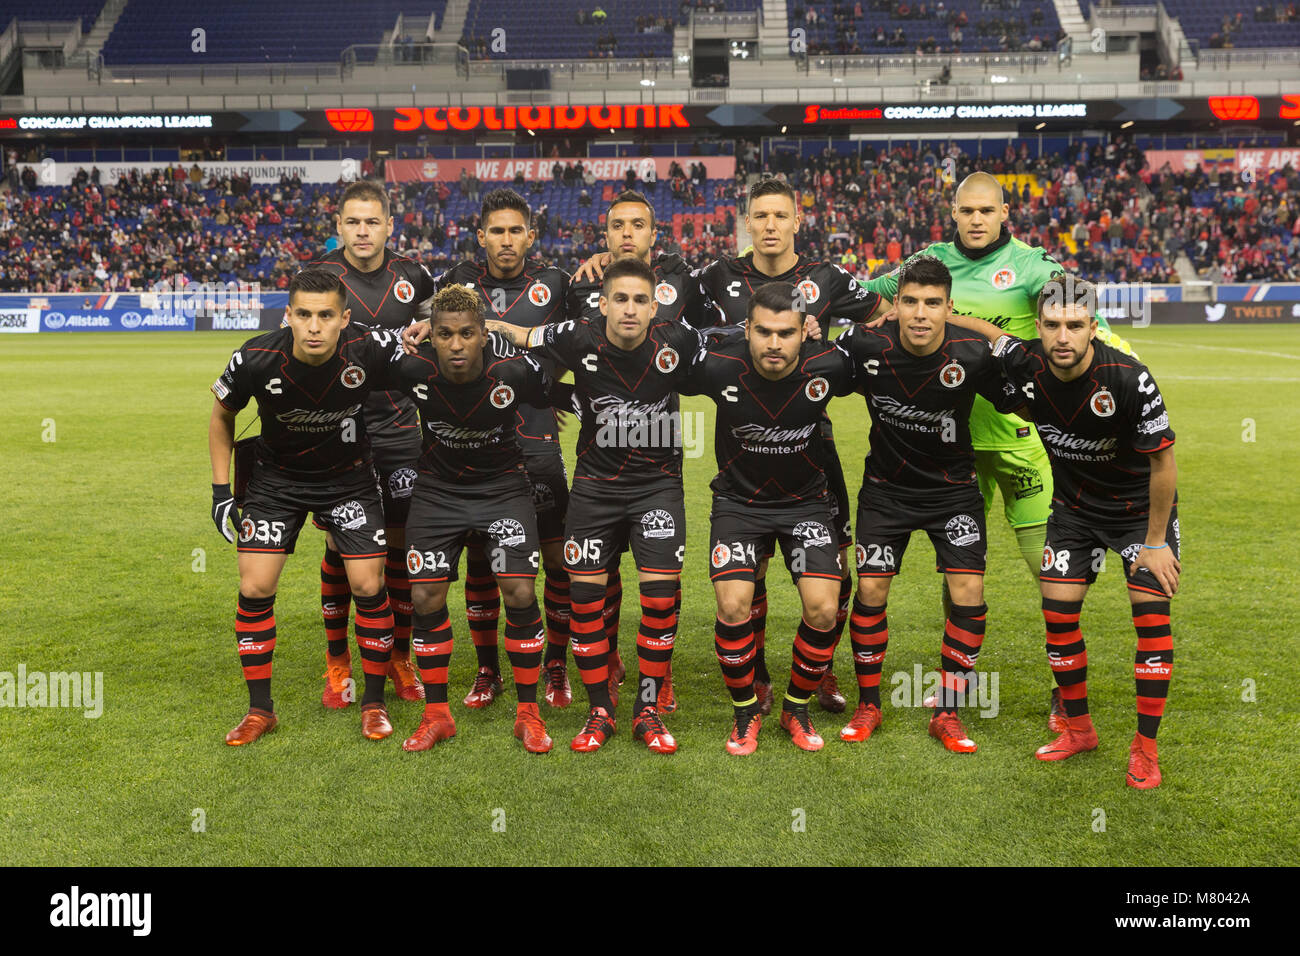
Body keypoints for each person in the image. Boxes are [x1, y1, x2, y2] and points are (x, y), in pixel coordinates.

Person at [861, 171, 1135, 731]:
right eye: (968, 211)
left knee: (1052, 572)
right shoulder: (929, 261)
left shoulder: (1035, 266)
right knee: (960, 573)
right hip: (950, 447)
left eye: (988, 210)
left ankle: (1065, 693)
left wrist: (1120, 359)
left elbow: (1082, 317)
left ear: (1005, 212)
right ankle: (952, 695)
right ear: (953, 212)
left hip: (1020, 440)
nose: (978, 219)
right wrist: (859, 313)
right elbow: (871, 296)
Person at [944, 275, 1179, 788]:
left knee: (1151, 622)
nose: (1063, 336)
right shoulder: (1026, 364)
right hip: (1074, 511)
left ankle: (1145, 747)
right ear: (1040, 328)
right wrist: (932, 315)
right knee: (1058, 614)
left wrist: (1157, 542)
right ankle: (1079, 728)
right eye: (1052, 325)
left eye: (1075, 325)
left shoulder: (1128, 379)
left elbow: (1163, 463)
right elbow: (988, 332)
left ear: (1093, 328)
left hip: (1138, 515)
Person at [489, 258, 705, 754]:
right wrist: (483, 325)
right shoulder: (577, 335)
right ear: (603, 303)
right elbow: (520, 337)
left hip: (658, 488)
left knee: (659, 602)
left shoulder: (679, 340)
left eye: (640, 301)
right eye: (620, 299)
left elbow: (740, 339)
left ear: (655, 307)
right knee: (585, 602)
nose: (630, 309)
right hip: (594, 490)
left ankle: (646, 709)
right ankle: (599, 711)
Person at [694, 177, 888, 715]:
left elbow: (880, 317)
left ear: (797, 220)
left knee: (835, 567)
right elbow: (663, 305)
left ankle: (820, 673)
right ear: (747, 223)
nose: (771, 226)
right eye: (760, 216)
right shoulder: (716, 276)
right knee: (747, 571)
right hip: (746, 437)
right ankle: (755, 676)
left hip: (811, 438)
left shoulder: (825, 277)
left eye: (781, 216)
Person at [208, 269, 404, 745]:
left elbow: (434, 369)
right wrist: (220, 492)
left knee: (367, 583)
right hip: (277, 482)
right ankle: (260, 711)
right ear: (288, 316)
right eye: (304, 315)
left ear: (344, 319)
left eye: (325, 315)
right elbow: (221, 415)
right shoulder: (255, 357)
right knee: (255, 586)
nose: (314, 326)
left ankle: (374, 705)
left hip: (350, 480)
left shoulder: (370, 348)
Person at [838, 255, 1022, 752]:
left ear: (949, 308)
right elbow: (811, 360)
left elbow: (1023, 393)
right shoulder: (866, 345)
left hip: (952, 493)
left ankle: (948, 711)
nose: (921, 314)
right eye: (911, 302)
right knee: (872, 591)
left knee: (967, 593)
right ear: (895, 305)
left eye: (933, 304)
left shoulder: (974, 355)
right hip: (886, 491)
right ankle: (868, 703)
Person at [679, 282, 855, 754]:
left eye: (785, 332)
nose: (774, 343)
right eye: (763, 332)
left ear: (805, 333)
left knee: (822, 608)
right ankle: (745, 713)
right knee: (734, 605)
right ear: (748, 330)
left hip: (806, 504)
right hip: (739, 504)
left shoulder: (832, 365)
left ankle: (795, 707)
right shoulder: (718, 367)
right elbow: (663, 345)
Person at [396, 285, 560, 753]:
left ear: (483, 335)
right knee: (426, 594)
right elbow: (354, 359)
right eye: (444, 334)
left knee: (520, 589)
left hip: (503, 489)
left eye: (467, 333)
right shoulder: (412, 369)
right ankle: (436, 716)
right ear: (432, 337)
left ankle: (528, 714)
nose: (456, 344)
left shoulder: (512, 373)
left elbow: (568, 386)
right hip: (437, 493)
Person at [430, 189, 574, 710]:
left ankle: (555, 667)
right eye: (497, 231)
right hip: (473, 441)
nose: (506, 240)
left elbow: (583, 336)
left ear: (531, 236)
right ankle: (488, 671)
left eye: (516, 231)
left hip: (536, 438)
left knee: (558, 559)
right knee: (482, 563)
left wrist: (550, 387)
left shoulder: (557, 282)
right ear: (481, 236)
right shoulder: (456, 283)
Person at [565, 190, 706, 715]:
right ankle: (605, 679)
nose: (627, 233)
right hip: (597, 468)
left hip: (656, 467)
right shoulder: (580, 285)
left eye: (637, 225)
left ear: (654, 234)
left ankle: (656, 681)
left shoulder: (685, 282)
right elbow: (546, 347)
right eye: (617, 225)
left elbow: (726, 333)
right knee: (598, 584)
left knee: (659, 587)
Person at [307, 180, 435, 711]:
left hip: (402, 430)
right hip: (340, 431)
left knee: (400, 549)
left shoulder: (413, 275)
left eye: (372, 221)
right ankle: (338, 664)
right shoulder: (318, 278)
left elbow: (438, 329)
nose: (363, 231)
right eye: (353, 222)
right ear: (339, 227)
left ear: (389, 225)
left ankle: (400, 657)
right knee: (342, 547)